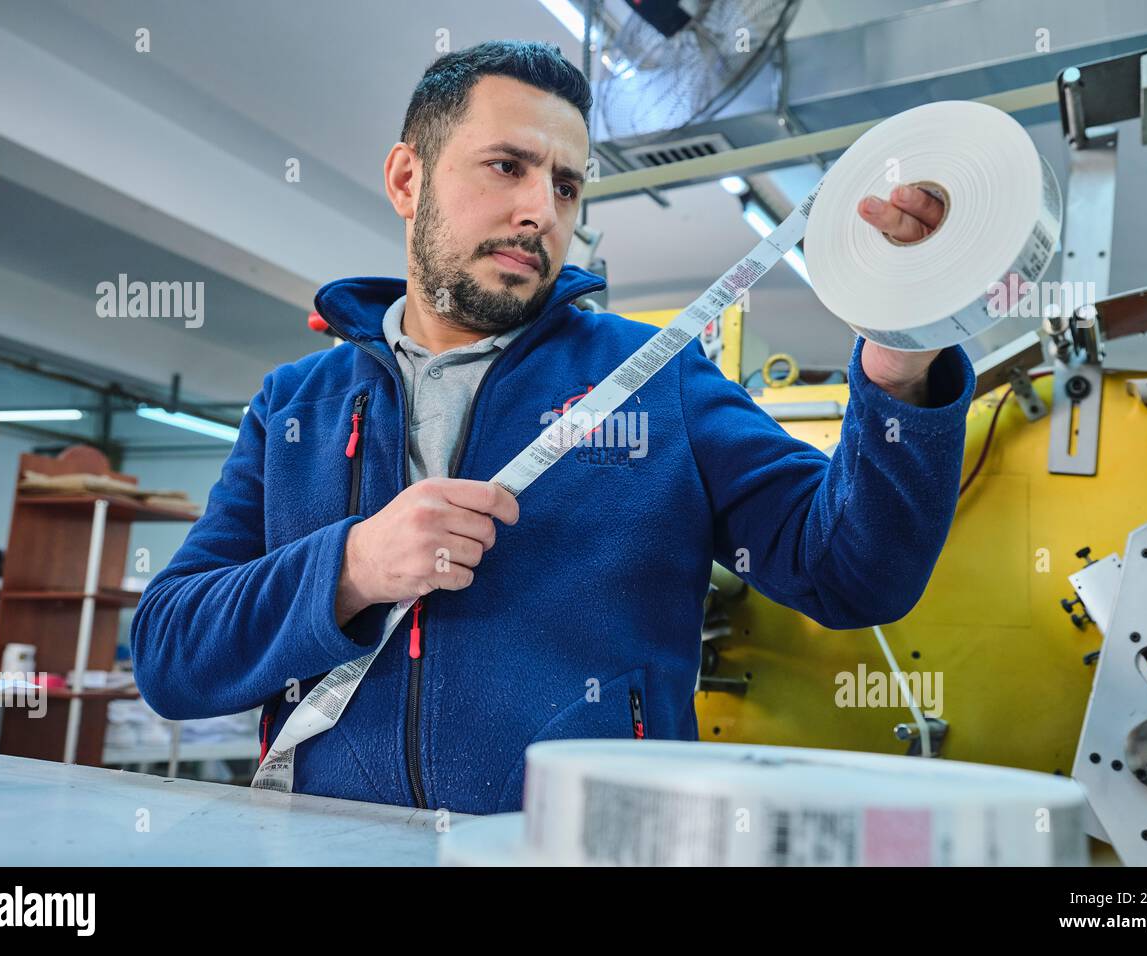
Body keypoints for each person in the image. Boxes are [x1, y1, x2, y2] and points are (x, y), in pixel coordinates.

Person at [131, 40, 974, 815]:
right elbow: (170, 654)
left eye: (567, 185)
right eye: (507, 166)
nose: (543, 209)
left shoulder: (656, 378)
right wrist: (350, 569)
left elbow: (851, 574)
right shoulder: (295, 406)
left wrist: (899, 368)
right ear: (406, 180)